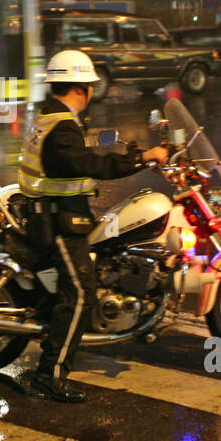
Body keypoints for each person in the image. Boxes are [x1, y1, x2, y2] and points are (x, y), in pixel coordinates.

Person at [17, 50, 168, 403]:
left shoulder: (51, 117)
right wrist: (141, 158)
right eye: (89, 86)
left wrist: (130, 151)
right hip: (56, 220)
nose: (91, 94)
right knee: (82, 293)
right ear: (81, 88)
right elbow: (84, 163)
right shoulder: (62, 125)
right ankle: (49, 375)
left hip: (54, 212)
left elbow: (81, 156)